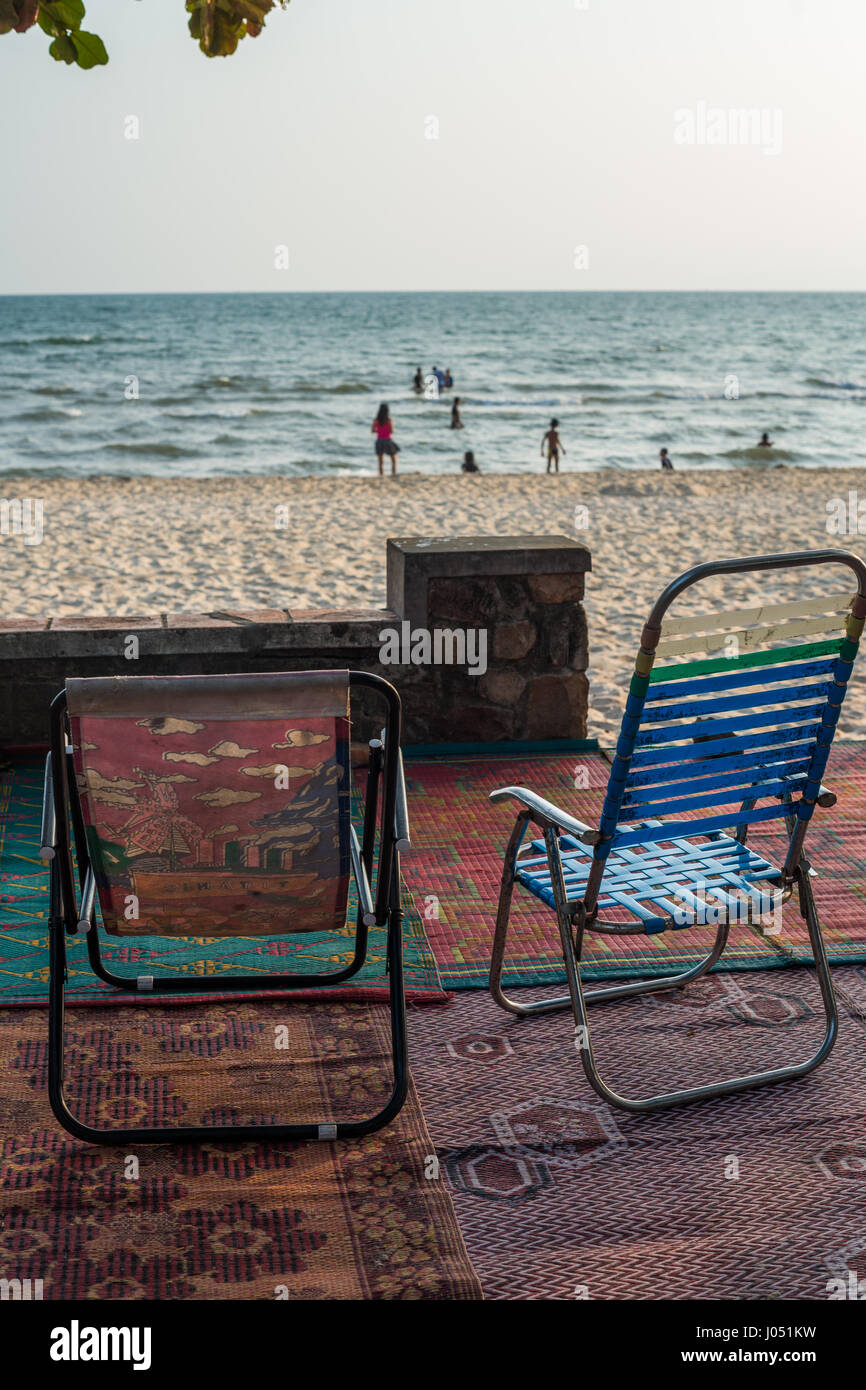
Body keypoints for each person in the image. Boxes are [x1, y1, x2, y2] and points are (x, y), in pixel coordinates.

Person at [371, 402, 400, 476]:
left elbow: (373, 430)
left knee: (380, 462)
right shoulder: (389, 420)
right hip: (387, 440)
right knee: (394, 459)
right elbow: (392, 431)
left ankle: (381, 474)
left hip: (379, 440)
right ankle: (393, 473)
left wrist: (379, 431)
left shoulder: (376, 420)